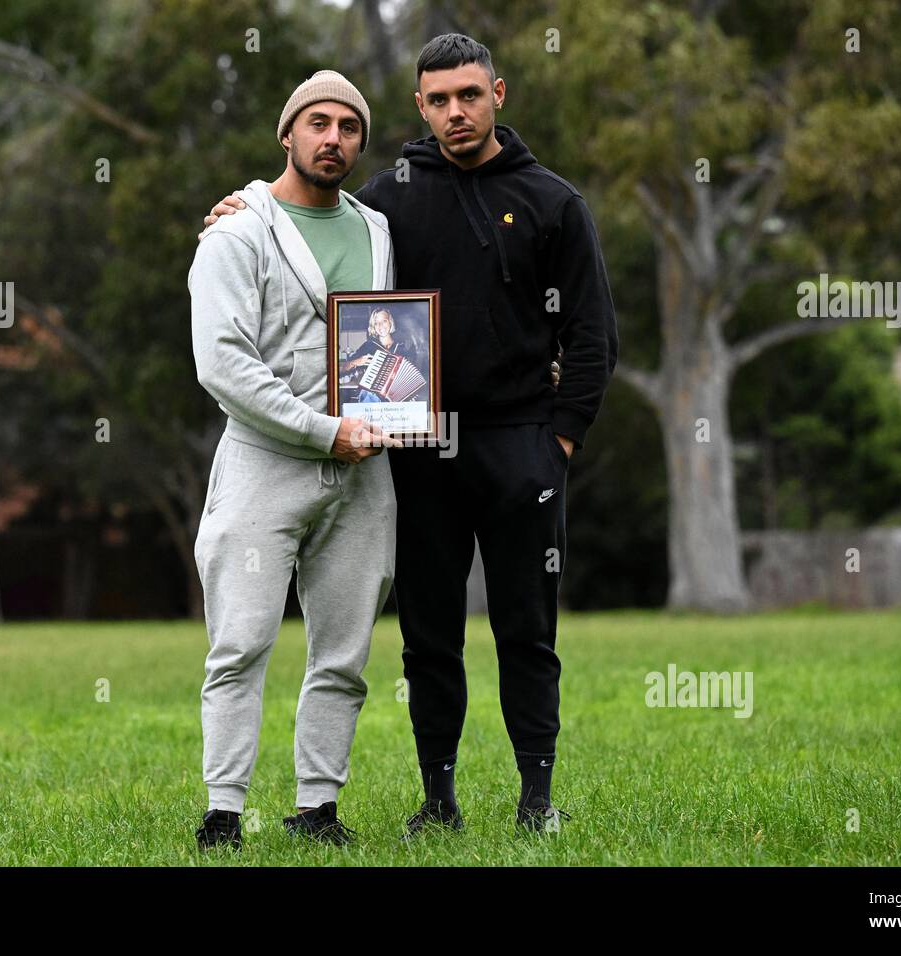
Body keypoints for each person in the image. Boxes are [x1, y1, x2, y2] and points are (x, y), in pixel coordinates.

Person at [201, 34, 618, 837]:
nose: (456, 113)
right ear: (420, 108)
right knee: (428, 638)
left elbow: (593, 338)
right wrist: (240, 205)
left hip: (520, 446)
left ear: (499, 93)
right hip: (418, 454)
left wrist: (558, 444)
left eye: (470, 95)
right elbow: (305, 215)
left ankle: (538, 799)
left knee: (528, 631)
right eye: (439, 100)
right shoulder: (390, 202)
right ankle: (440, 800)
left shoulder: (554, 203)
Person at [187, 69, 400, 849]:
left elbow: (398, 342)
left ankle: (318, 809)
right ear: (288, 133)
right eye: (317, 122)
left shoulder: (377, 230)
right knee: (240, 644)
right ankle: (223, 813)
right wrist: (320, 430)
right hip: (262, 464)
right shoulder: (238, 231)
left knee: (344, 652)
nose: (333, 138)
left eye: (348, 126)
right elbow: (223, 363)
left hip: (365, 471)